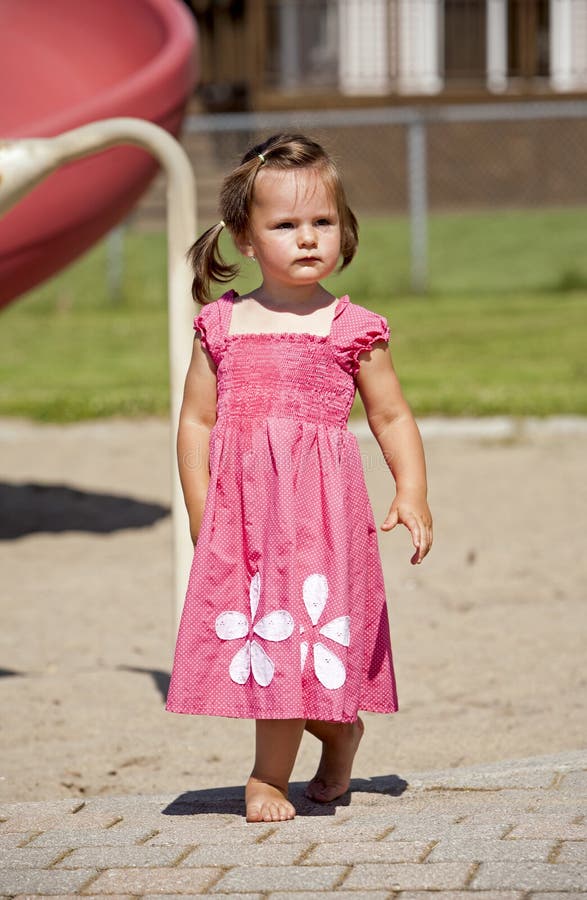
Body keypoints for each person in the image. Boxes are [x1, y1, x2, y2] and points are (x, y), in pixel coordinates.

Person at [165, 133, 432, 824]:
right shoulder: (221, 325)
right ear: (245, 239)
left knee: (300, 636)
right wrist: (199, 506)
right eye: (285, 224)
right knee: (264, 641)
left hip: (320, 519)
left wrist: (410, 491)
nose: (308, 237)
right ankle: (338, 736)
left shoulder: (351, 327)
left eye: (322, 221)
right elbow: (195, 421)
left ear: (344, 230)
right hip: (246, 517)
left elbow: (392, 415)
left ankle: (268, 775)